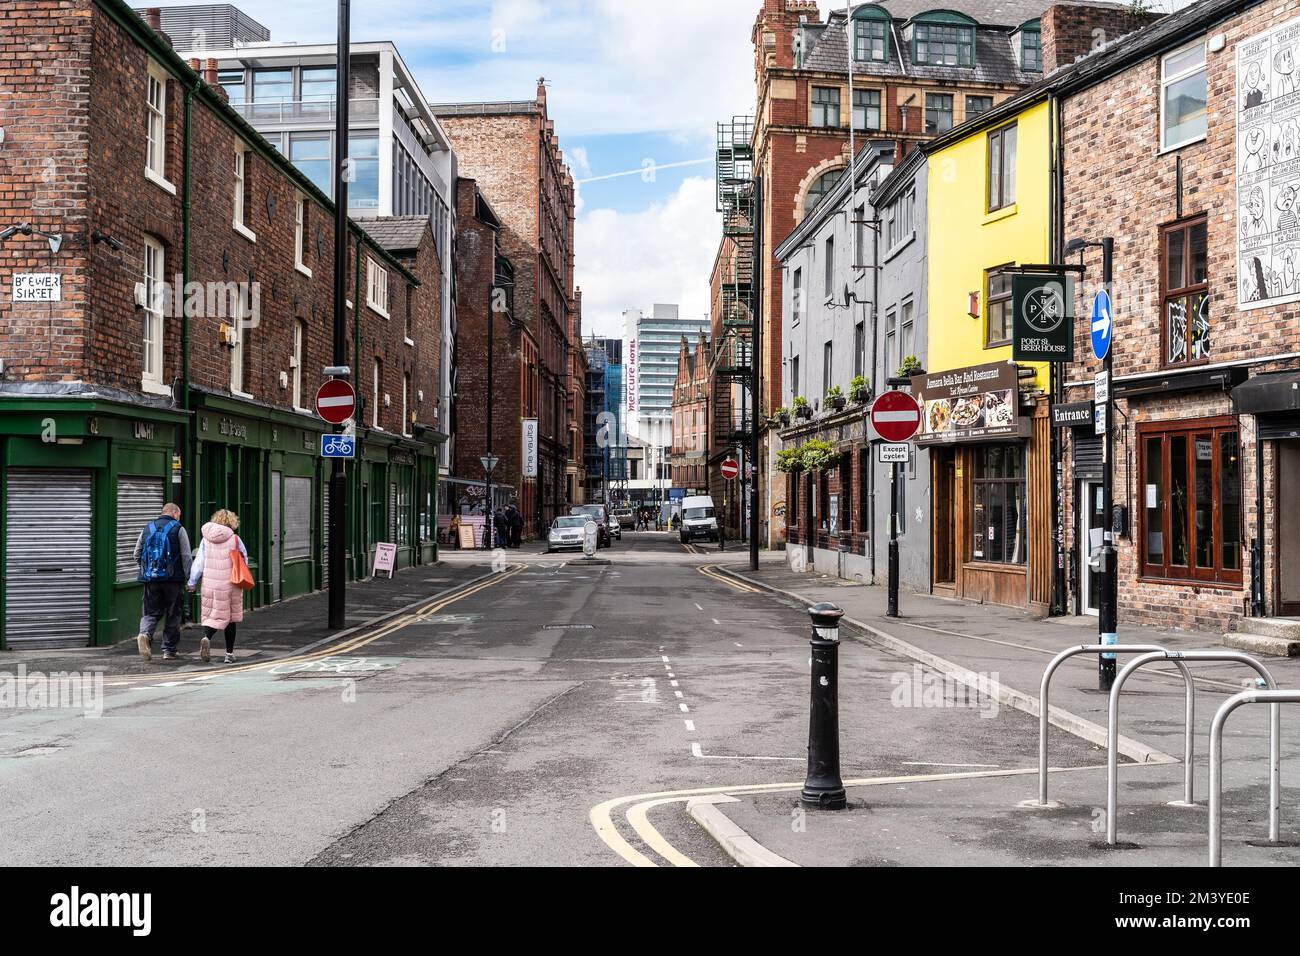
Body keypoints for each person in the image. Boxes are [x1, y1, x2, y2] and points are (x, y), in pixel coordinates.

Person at [186, 509, 248, 665]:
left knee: (212, 615)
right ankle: (229, 654)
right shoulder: (235, 539)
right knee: (229, 619)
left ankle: (206, 638)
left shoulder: (205, 540)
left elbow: (199, 562)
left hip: (210, 584)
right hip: (230, 584)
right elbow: (244, 560)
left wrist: (192, 582)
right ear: (232, 522)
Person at [133, 502, 193, 662]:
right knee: (173, 614)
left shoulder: (148, 527)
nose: (179, 517)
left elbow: (136, 553)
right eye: (178, 514)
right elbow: (186, 556)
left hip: (150, 580)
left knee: (150, 612)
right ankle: (169, 650)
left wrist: (146, 569)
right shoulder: (178, 529)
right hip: (173, 580)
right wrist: (189, 578)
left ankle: (145, 634)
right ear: (174, 512)